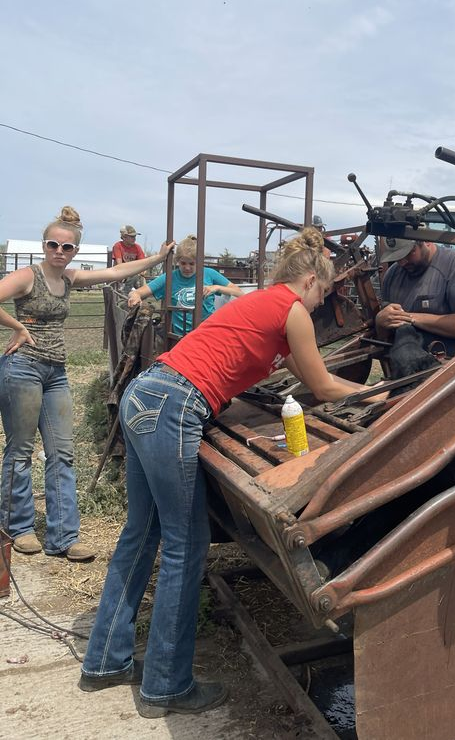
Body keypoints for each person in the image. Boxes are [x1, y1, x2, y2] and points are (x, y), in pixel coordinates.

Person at [80, 227, 382, 717]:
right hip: (176, 405)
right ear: (309, 281)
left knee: (143, 532)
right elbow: (324, 387)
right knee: (185, 544)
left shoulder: (259, 302)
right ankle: (166, 686)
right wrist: (384, 397)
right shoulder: (293, 310)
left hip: (148, 392)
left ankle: (105, 661)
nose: (323, 302)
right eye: (324, 292)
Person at [0, 206, 174, 561]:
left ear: (74, 251)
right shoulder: (27, 276)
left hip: (56, 372)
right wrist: (18, 328)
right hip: (23, 369)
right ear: (44, 245)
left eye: (66, 248)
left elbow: (116, 270)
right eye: (53, 245)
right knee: (20, 451)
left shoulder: (69, 279)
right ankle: (18, 528)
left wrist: (157, 257)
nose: (59, 252)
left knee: (62, 453)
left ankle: (63, 537)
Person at [376, 238, 455, 357]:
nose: (402, 262)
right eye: (397, 258)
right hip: (406, 369)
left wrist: (410, 318)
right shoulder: (392, 275)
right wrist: (380, 321)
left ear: (426, 241)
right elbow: (385, 335)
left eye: (408, 253)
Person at [127, 234, 244, 334]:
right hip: (180, 337)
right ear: (177, 261)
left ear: (199, 262)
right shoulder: (170, 277)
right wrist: (135, 296)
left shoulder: (209, 274)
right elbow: (138, 292)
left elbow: (239, 293)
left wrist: (217, 287)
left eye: (192, 264)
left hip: (206, 333)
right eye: (183, 263)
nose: (187, 268)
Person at [112, 224, 146, 293]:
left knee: (140, 278)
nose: (134, 238)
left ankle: (142, 295)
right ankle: (125, 292)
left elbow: (143, 264)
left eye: (135, 236)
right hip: (122, 274)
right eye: (132, 237)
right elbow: (119, 265)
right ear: (124, 237)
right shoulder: (118, 246)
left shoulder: (137, 247)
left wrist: (142, 271)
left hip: (133, 275)